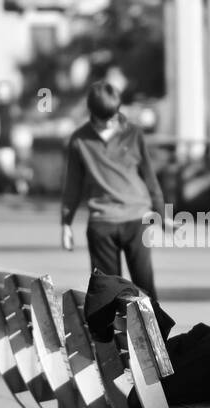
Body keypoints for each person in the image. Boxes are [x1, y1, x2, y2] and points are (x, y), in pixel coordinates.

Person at [60, 80, 164, 301]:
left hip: (137, 218)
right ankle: (111, 336)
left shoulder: (133, 134)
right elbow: (73, 185)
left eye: (113, 116)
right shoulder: (80, 140)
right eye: (104, 119)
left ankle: (157, 335)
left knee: (145, 289)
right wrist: (66, 222)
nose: (109, 123)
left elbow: (149, 177)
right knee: (107, 293)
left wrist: (163, 215)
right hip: (102, 222)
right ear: (92, 114)